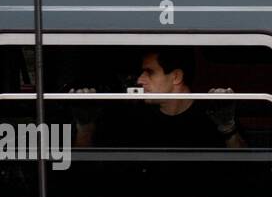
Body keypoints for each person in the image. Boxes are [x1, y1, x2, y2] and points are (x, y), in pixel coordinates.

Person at [72, 48, 244, 151]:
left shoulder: (213, 114)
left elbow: (246, 171)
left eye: (150, 72)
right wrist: (85, 126)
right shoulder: (132, 119)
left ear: (176, 76)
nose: (140, 80)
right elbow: (86, 171)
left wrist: (227, 126)